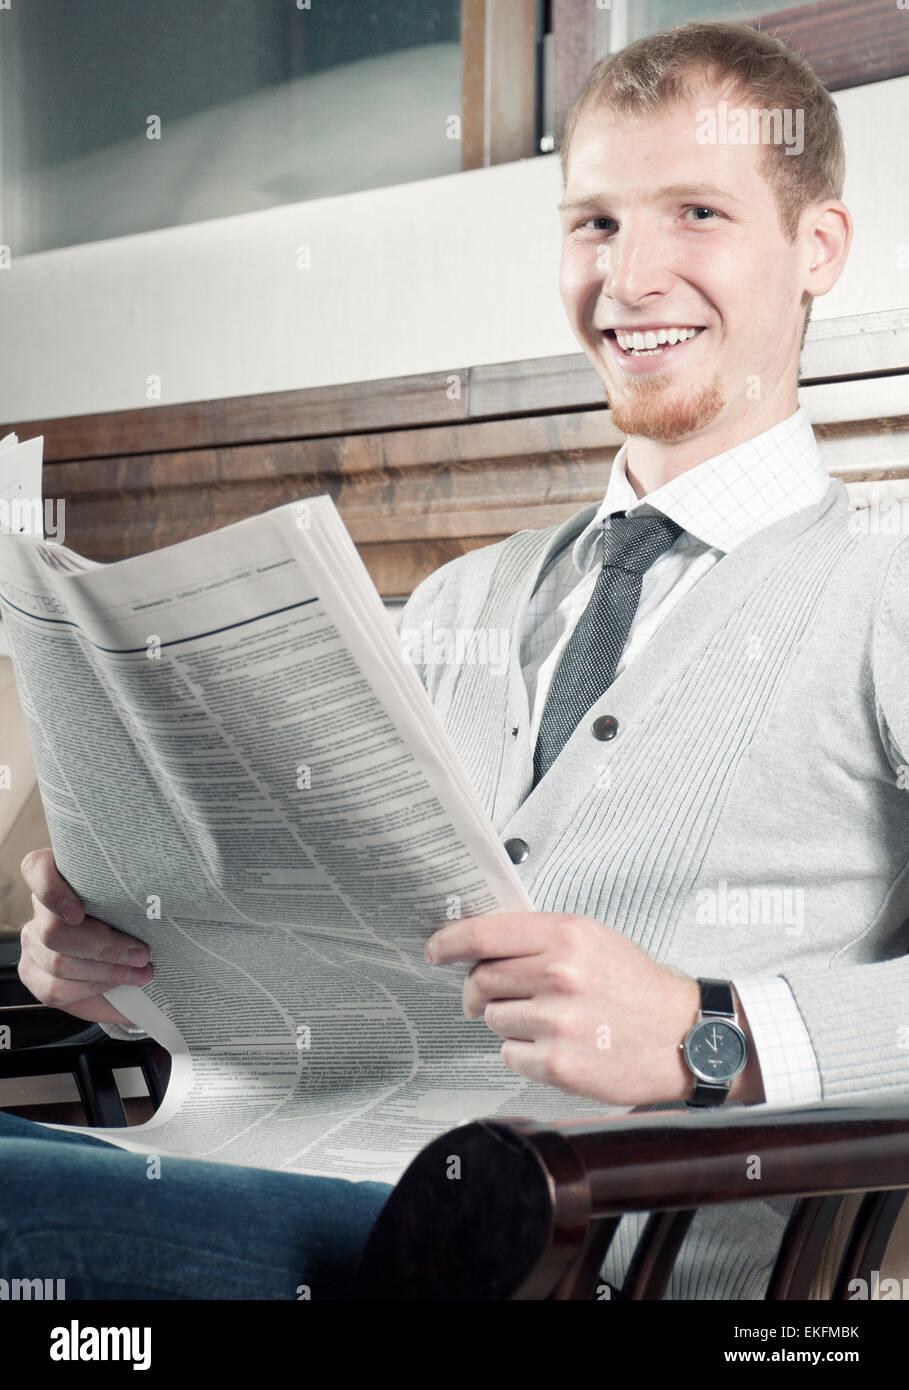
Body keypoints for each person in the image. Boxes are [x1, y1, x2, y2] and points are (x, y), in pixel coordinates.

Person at [4, 19, 905, 1300]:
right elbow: (332, 969)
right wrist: (115, 975)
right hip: (303, 1175)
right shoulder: (460, 603)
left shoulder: (887, 579)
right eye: (593, 224)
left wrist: (712, 1035)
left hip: (578, 1256)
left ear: (817, 248)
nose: (631, 275)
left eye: (695, 212)